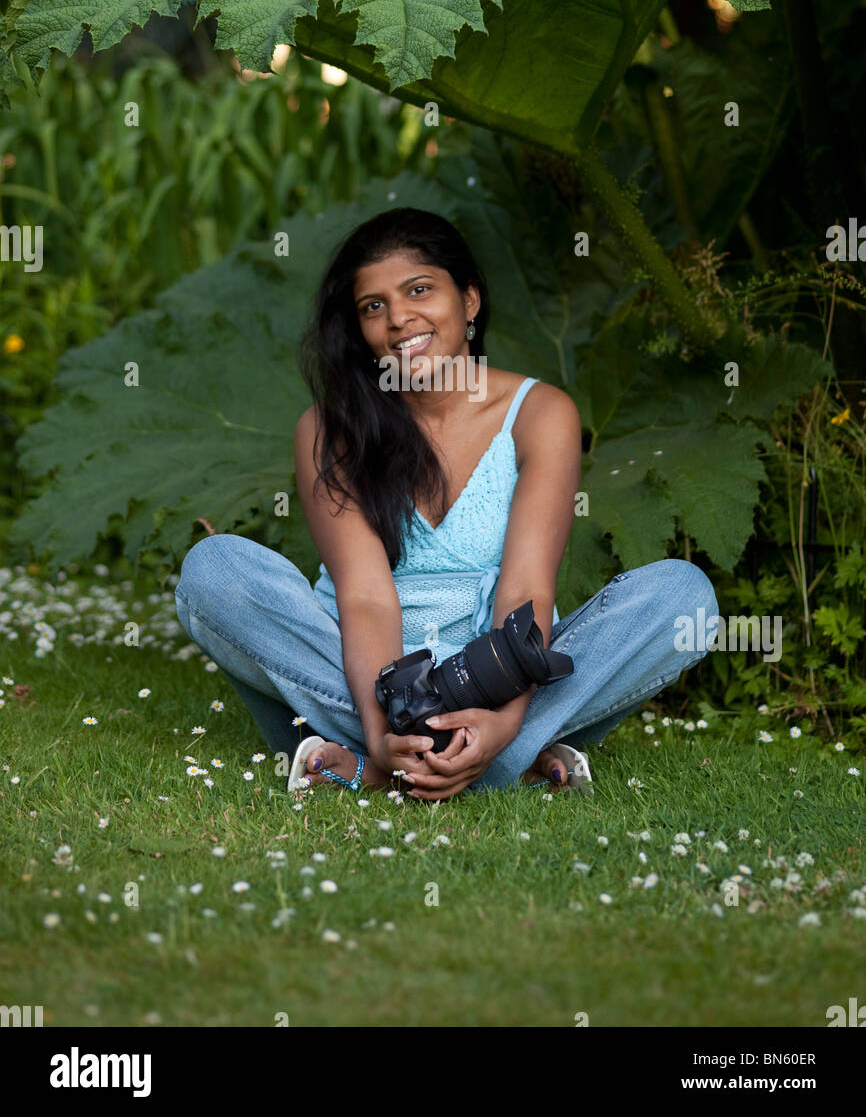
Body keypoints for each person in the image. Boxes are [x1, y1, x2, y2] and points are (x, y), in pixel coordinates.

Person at [174, 207, 718, 800]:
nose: (399, 319)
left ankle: (398, 762)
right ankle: (485, 763)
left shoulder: (541, 414)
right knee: (214, 570)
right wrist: (386, 730)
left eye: (419, 290)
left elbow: (524, 593)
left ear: (470, 300)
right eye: (372, 306)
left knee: (683, 598)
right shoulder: (331, 429)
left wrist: (503, 719)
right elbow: (364, 597)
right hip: (363, 666)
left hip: (498, 669)